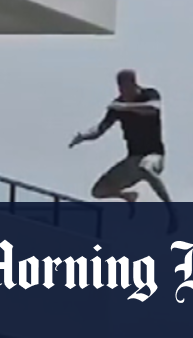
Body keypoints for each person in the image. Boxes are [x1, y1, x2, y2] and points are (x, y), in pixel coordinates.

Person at [69, 69, 178, 233]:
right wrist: (83, 136)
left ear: (134, 84)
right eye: (120, 89)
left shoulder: (149, 95)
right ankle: (128, 196)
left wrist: (125, 106)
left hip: (154, 156)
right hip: (132, 159)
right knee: (98, 191)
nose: (123, 93)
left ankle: (172, 212)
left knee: (145, 167)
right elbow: (100, 129)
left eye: (126, 88)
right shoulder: (117, 106)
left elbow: (153, 109)